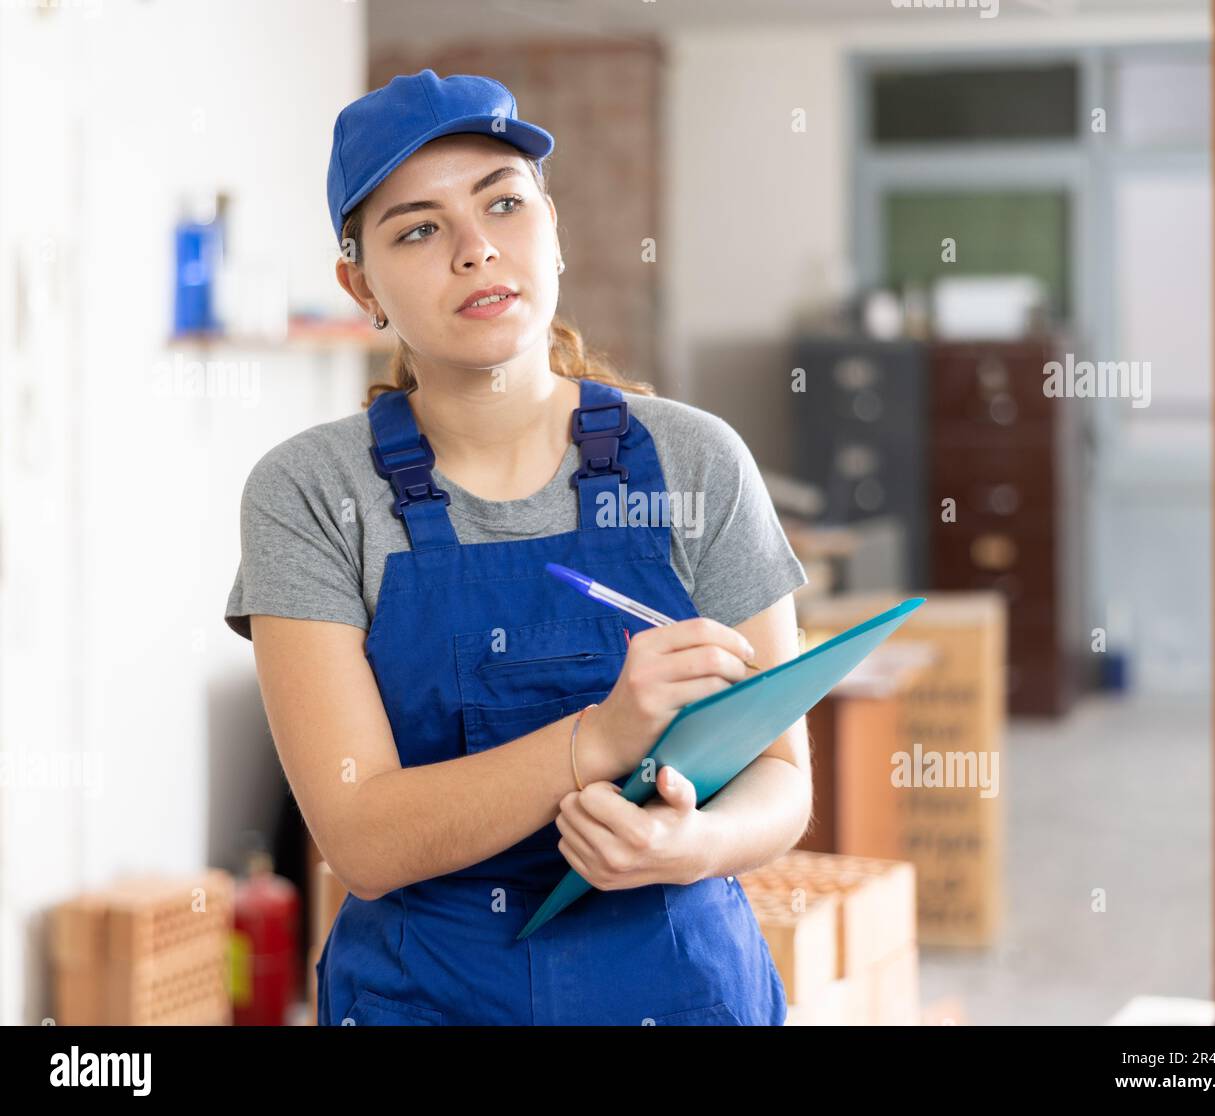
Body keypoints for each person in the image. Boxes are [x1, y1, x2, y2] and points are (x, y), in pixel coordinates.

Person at [225, 69, 811, 1026]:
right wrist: (599, 741)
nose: (476, 248)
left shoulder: (695, 460)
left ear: (554, 231)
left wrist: (690, 848)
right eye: (418, 228)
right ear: (360, 284)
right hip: (427, 999)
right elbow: (361, 838)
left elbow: (781, 778)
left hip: (682, 988)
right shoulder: (311, 493)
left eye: (504, 202)